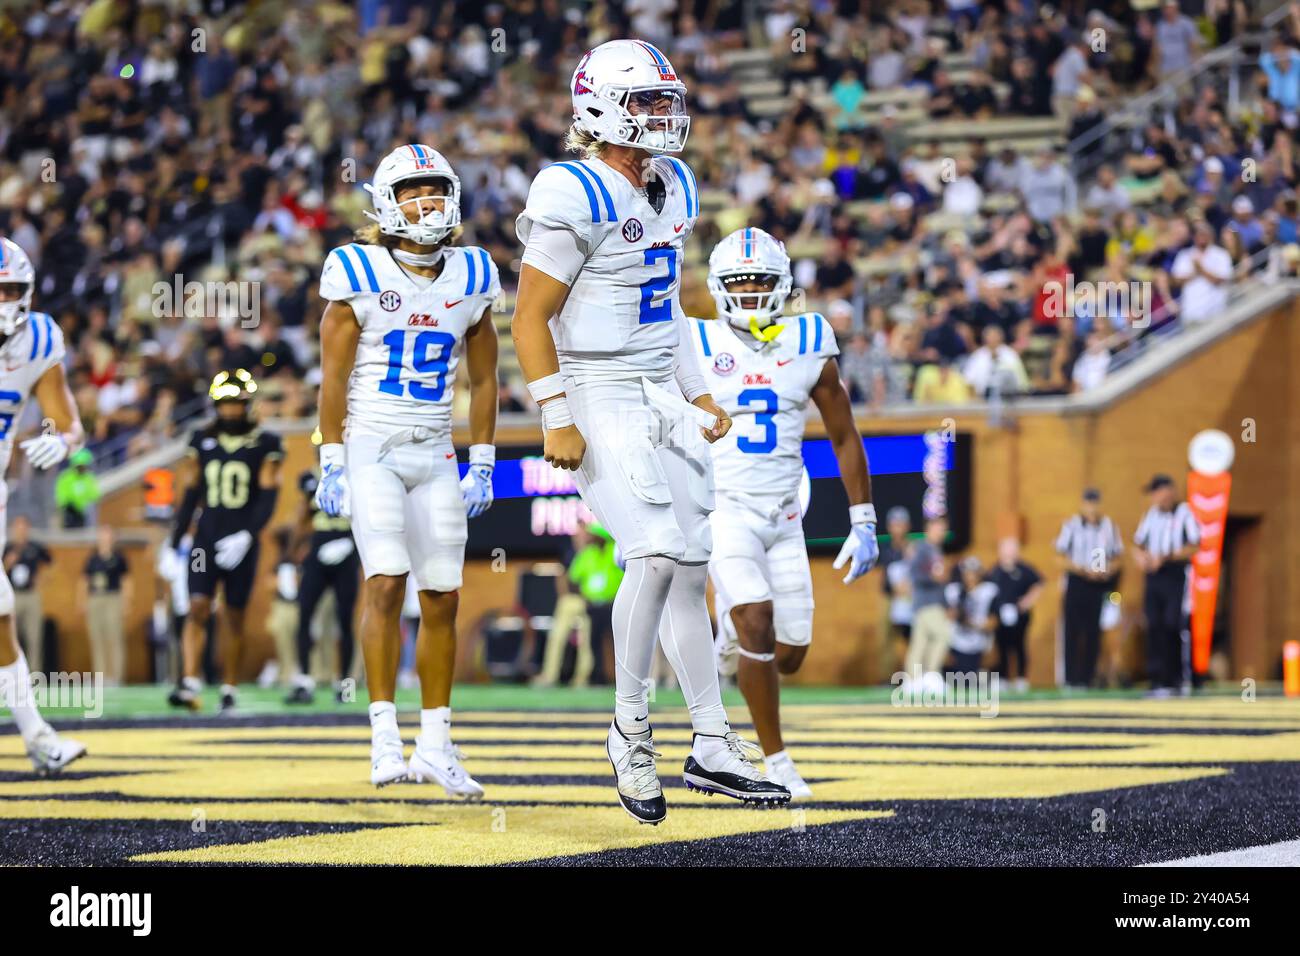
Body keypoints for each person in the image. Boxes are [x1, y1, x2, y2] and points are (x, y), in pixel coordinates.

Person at [511, 39, 789, 824]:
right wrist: (555, 412)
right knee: (657, 551)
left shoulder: (673, 187)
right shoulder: (572, 188)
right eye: (646, 103)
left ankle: (709, 740)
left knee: (691, 561)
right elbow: (529, 316)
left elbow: (662, 305)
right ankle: (630, 728)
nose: (663, 116)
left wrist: (696, 391)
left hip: (657, 386)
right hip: (596, 389)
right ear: (598, 107)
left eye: (667, 101)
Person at [315, 143, 499, 797]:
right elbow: (332, 378)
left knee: (444, 594)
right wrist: (331, 457)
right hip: (373, 446)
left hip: (435, 450)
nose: (428, 202)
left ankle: (437, 745)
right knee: (386, 582)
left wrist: (483, 460)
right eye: (413, 191)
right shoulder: (356, 268)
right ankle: (383, 739)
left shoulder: (473, 272)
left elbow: (485, 379)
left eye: (436, 189)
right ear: (386, 204)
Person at [694, 226, 879, 800]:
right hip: (724, 510)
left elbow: (845, 435)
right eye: (738, 282)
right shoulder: (691, 342)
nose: (749, 292)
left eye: (761, 281)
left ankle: (726, 634)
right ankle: (775, 761)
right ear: (717, 288)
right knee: (757, 617)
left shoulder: (810, 340)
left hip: (785, 516)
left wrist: (864, 519)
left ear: (784, 286)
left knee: (791, 654)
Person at [0, 236, 87, 773]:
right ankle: (38, 737)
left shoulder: (36, 342)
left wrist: (62, 439)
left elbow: (69, 422)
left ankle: (38, 739)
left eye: (10, 289)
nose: (5, 302)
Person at [159, 369, 283, 713]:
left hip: (242, 537)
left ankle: (229, 686)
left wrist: (249, 533)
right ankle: (190, 681)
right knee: (197, 604)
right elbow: (191, 492)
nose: (230, 411)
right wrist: (174, 541)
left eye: (236, 404)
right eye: (225, 404)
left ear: (248, 404)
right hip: (206, 536)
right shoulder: (200, 440)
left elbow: (268, 496)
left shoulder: (266, 443)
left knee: (234, 614)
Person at [286, 468, 360, 704]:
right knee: (304, 613)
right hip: (318, 548)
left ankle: (346, 686)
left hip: (347, 547)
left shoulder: (355, 472)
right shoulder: (310, 478)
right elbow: (303, 516)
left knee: (345, 620)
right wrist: (291, 555)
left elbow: (366, 514)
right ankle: (304, 682)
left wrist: (351, 543)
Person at [1133, 473, 1200, 697]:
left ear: (1168, 491)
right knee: (1153, 624)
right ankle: (1157, 680)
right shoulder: (1150, 516)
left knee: (1173, 624)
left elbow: (1194, 545)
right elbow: (1137, 545)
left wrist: (1167, 556)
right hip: (1153, 576)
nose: (1154, 497)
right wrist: (1142, 558)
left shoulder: (1185, 513)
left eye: (1156, 492)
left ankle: (1176, 679)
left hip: (1175, 573)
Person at [1055, 488, 1123, 689]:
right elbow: (1059, 557)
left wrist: (1107, 570)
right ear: (1082, 504)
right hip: (1077, 581)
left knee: (1093, 631)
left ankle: (1088, 677)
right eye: (1088, 503)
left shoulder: (1108, 526)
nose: (1092, 507)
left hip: (1099, 584)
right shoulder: (1071, 526)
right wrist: (1082, 569)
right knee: (1072, 631)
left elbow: (1117, 556)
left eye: (1095, 503)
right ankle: (1071, 679)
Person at [987, 537, 1043, 692]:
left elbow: (1038, 584)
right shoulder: (995, 570)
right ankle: (1003, 678)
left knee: (1019, 646)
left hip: (1020, 615)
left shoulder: (1024, 569)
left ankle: (1021, 678)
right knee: (1001, 646)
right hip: (1000, 616)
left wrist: (1026, 602)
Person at [80, 524, 129, 686]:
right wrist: (82, 601)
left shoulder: (119, 558)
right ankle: (101, 676)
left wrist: (126, 601)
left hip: (113, 597)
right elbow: (84, 581)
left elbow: (127, 581)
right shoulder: (92, 558)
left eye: (107, 535)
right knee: (97, 637)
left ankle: (116, 676)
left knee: (114, 637)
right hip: (95, 598)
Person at [905, 515, 951, 687]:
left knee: (921, 641)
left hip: (926, 602)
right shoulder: (923, 548)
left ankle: (913, 679)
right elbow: (915, 573)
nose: (941, 532)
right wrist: (934, 578)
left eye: (943, 528)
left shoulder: (933, 549)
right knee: (943, 634)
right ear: (928, 529)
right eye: (938, 528)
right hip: (927, 601)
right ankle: (930, 675)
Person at [3, 515, 50, 674]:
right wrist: (7, 564)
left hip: (31, 595)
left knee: (34, 637)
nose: (20, 531)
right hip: (12, 596)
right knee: (11, 638)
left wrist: (41, 580)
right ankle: (12, 675)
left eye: (23, 527)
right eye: (18, 527)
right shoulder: (7, 548)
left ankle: (35, 674)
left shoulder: (35, 547)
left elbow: (52, 565)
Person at [945, 556, 997, 674]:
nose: (970, 576)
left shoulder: (989, 591)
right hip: (955, 643)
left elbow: (993, 622)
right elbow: (947, 616)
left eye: (973, 572)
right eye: (967, 572)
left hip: (979, 643)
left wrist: (972, 623)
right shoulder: (954, 591)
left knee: (974, 681)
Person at [54, 449, 100, 528]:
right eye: (80, 467)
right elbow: (61, 497)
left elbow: (95, 495)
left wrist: (84, 504)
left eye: (84, 466)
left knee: (90, 511)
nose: (82, 469)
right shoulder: (66, 477)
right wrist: (72, 502)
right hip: (70, 512)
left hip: (84, 513)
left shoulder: (88, 478)